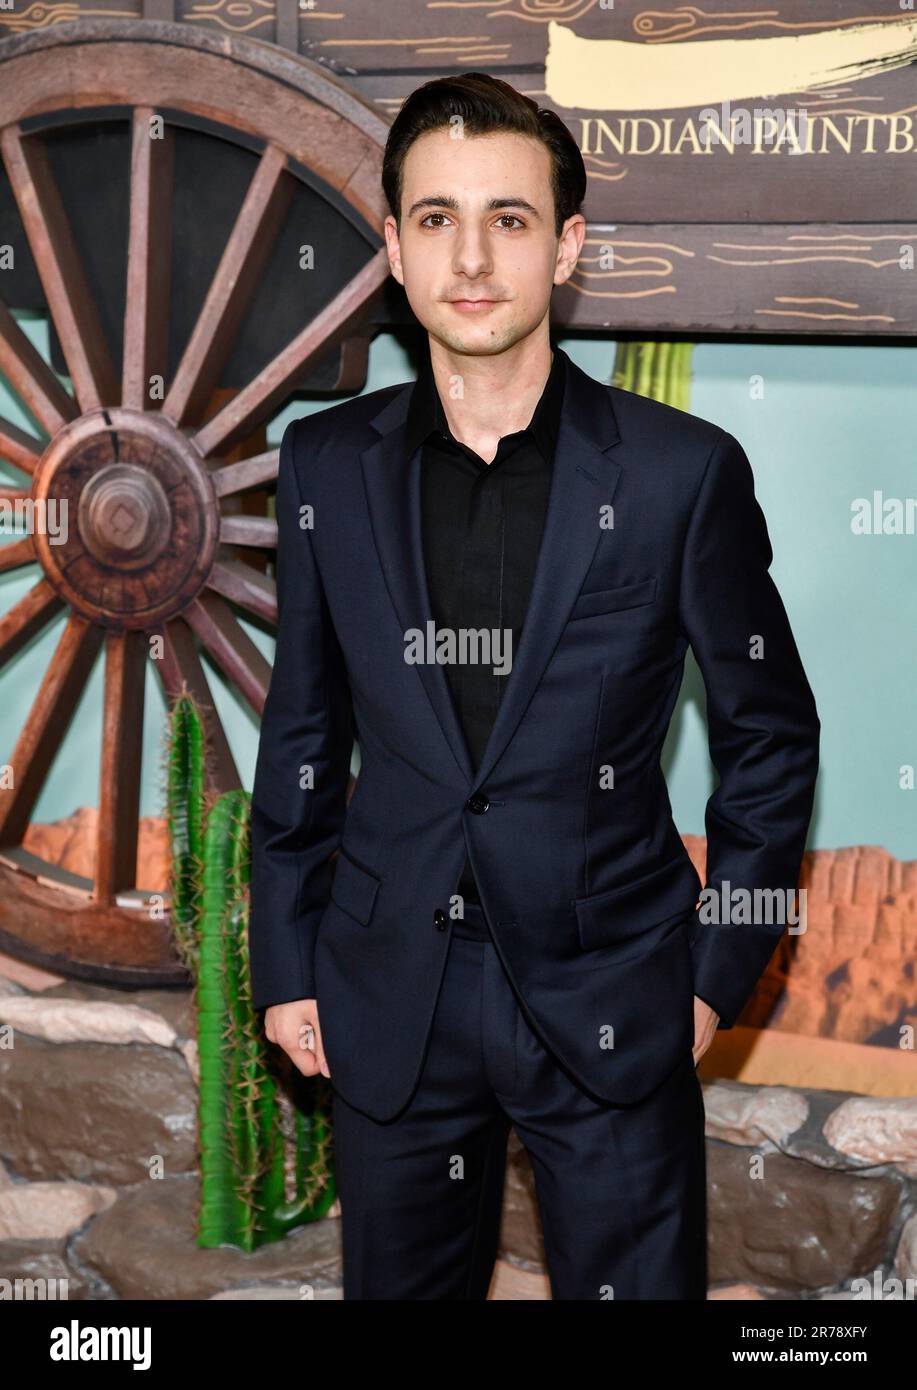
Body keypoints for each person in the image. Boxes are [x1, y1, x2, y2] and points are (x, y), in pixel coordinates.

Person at [248, 72, 820, 1300]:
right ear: (394, 248)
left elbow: (767, 737)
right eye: (437, 218)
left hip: (613, 995)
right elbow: (301, 728)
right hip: (389, 996)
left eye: (507, 219)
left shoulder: (678, 475)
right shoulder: (323, 464)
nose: (471, 256)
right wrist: (286, 963)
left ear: (564, 247)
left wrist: (715, 983)